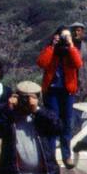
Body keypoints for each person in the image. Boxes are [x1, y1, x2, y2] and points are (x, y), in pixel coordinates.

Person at [35, 27, 83, 166]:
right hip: (51, 91)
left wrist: (71, 45)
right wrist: (52, 46)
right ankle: (50, 156)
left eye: (67, 36)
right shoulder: (51, 50)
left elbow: (78, 63)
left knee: (66, 123)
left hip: (67, 91)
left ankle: (66, 156)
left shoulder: (71, 50)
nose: (63, 38)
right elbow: (42, 63)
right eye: (61, 36)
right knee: (52, 122)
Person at [69, 22, 87, 101]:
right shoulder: (67, 48)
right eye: (74, 31)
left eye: (78, 30)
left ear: (82, 32)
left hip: (85, 82)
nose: (76, 33)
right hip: (70, 82)